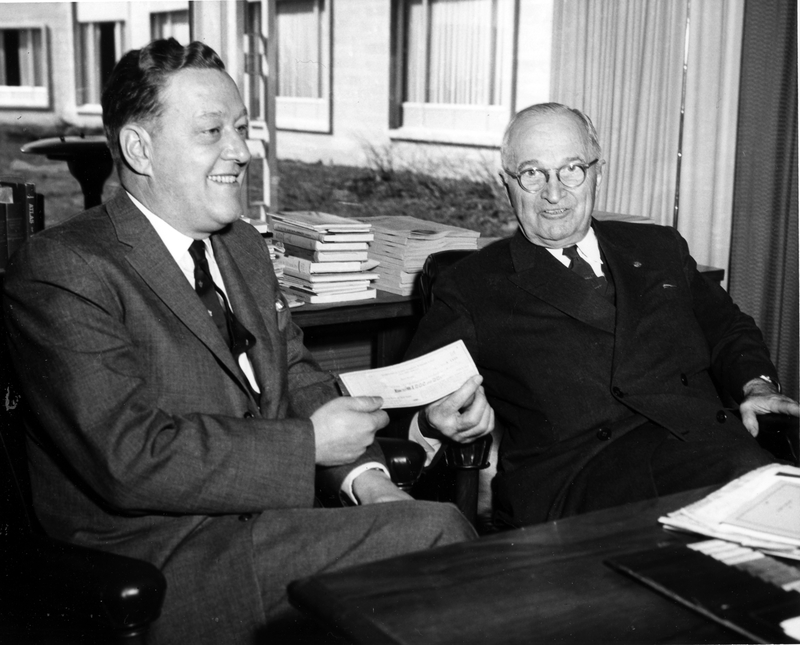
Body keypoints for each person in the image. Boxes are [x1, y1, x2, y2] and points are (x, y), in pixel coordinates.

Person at [2, 39, 492, 644]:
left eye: (240, 127)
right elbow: (129, 458)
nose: (240, 150)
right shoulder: (65, 266)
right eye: (212, 131)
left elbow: (300, 377)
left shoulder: (242, 247)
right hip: (161, 562)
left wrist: (372, 485)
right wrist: (309, 444)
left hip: (273, 527)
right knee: (439, 534)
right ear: (139, 149)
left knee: (418, 534)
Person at [405, 102, 799, 528]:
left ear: (598, 172)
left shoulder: (658, 247)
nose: (553, 194)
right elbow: (409, 393)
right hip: (578, 484)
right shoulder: (473, 283)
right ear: (507, 183)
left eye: (571, 169)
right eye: (532, 173)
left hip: (707, 447)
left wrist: (757, 386)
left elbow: (727, 327)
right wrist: (431, 421)